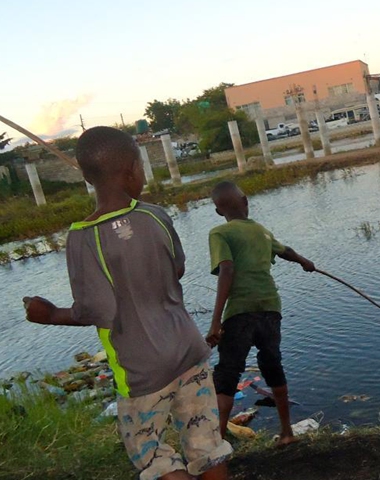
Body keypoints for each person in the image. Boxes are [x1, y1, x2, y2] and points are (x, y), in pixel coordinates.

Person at [23, 126, 232, 480]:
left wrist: (49, 314)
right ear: (133, 169)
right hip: (187, 348)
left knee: (154, 456)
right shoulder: (156, 215)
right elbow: (177, 269)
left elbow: (96, 311)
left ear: (88, 179)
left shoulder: (82, 237)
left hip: (141, 371)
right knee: (206, 443)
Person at [206, 181, 314, 446]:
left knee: (228, 374)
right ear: (246, 201)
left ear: (218, 211)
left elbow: (227, 270)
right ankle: (287, 433)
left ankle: (217, 447)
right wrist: (304, 262)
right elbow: (284, 250)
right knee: (272, 365)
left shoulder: (219, 233)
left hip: (240, 313)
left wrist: (215, 321)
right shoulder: (261, 231)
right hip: (270, 309)